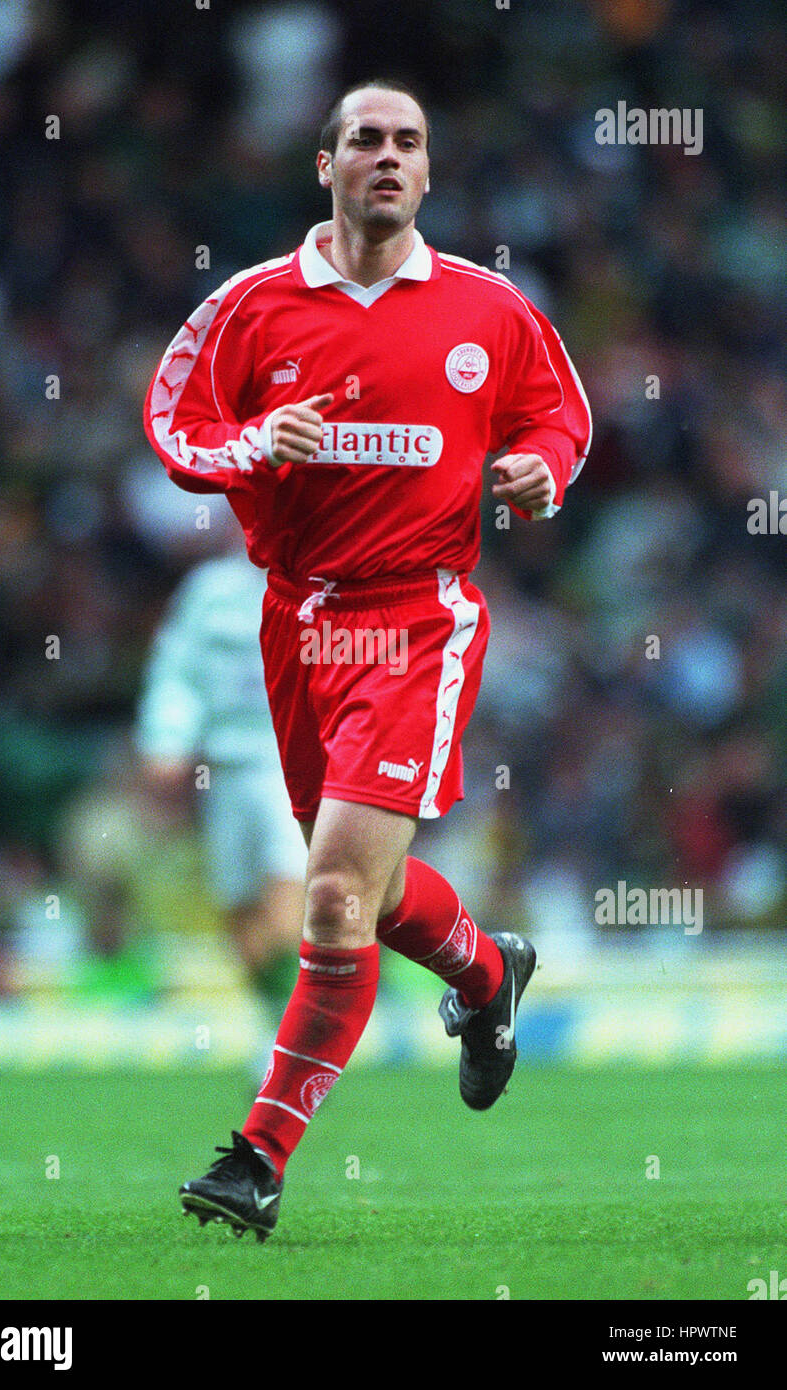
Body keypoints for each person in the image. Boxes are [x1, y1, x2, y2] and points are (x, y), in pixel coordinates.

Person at [145, 78, 592, 1241]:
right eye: (363, 141)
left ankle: (257, 1155)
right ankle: (488, 970)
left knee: (333, 894)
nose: (385, 157)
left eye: (406, 142)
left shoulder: (485, 309)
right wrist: (248, 444)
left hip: (414, 624)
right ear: (326, 164)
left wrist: (542, 472)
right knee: (377, 895)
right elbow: (172, 421)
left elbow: (561, 418)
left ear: (428, 173)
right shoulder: (250, 306)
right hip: (293, 623)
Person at [134, 503, 306, 1031]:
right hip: (226, 768)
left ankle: (296, 1040)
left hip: (293, 767)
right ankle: (275, 1024)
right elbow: (177, 670)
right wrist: (166, 741)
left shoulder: (321, 587)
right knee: (238, 909)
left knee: (287, 896)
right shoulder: (209, 592)